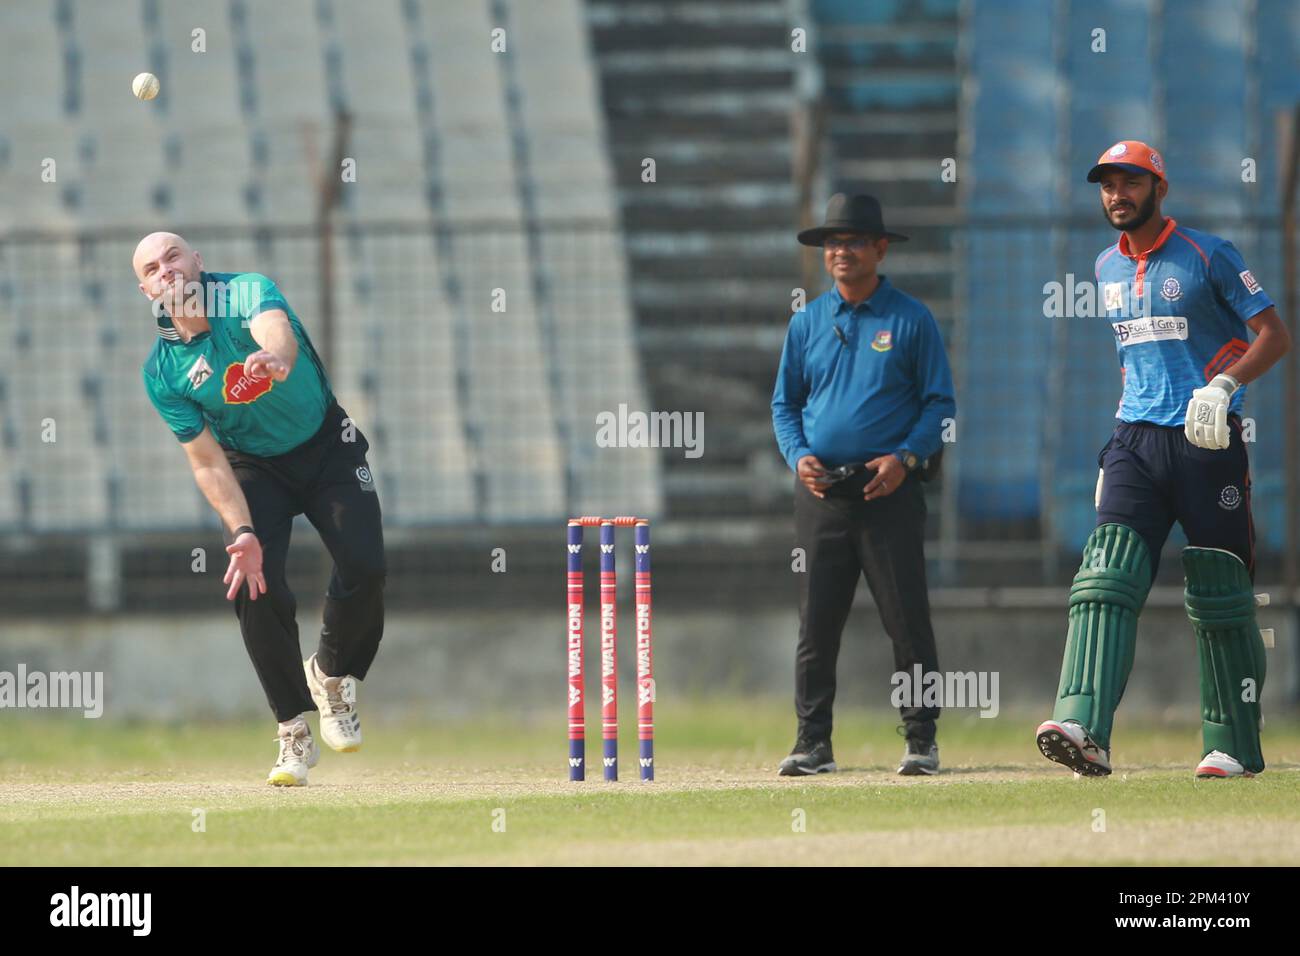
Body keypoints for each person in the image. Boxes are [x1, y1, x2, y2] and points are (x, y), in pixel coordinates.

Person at [1035, 141, 1290, 779]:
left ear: (1158, 188)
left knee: (1220, 592)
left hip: (1206, 437)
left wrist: (1225, 386)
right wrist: (1120, 446)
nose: (1117, 195)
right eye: (1107, 186)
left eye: (1130, 183)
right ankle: (1083, 726)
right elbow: (1136, 359)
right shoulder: (1103, 267)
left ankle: (1231, 743)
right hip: (1135, 441)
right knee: (1104, 575)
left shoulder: (1208, 253)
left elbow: (1275, 335)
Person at [133, 231, 387, 786]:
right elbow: (205, 462)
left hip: (325, 444)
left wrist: (272, 356)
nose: (166, 270)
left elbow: (274, 329)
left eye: (173, 256)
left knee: (365, 564)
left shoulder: (246, 292)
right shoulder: (163, 372)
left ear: (197, 260)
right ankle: (292, 729)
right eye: (152, 268)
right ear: (146, 289)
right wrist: (241, 529)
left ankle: (332, 673)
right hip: (252, 466)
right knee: (254, 584)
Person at [771, 194, 956, 776]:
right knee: (816, 623)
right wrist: (798, 455)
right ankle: (813, 742)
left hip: (889, 493)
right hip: (822, 494)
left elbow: (939, 405)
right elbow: (785, 405)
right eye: (832, 241)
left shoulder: (911, 319)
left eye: (853, 240)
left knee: (906, 619)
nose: (840, 251)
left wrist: (905, 458)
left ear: (880, 248)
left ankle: (921, 739)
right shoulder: (807, 321)